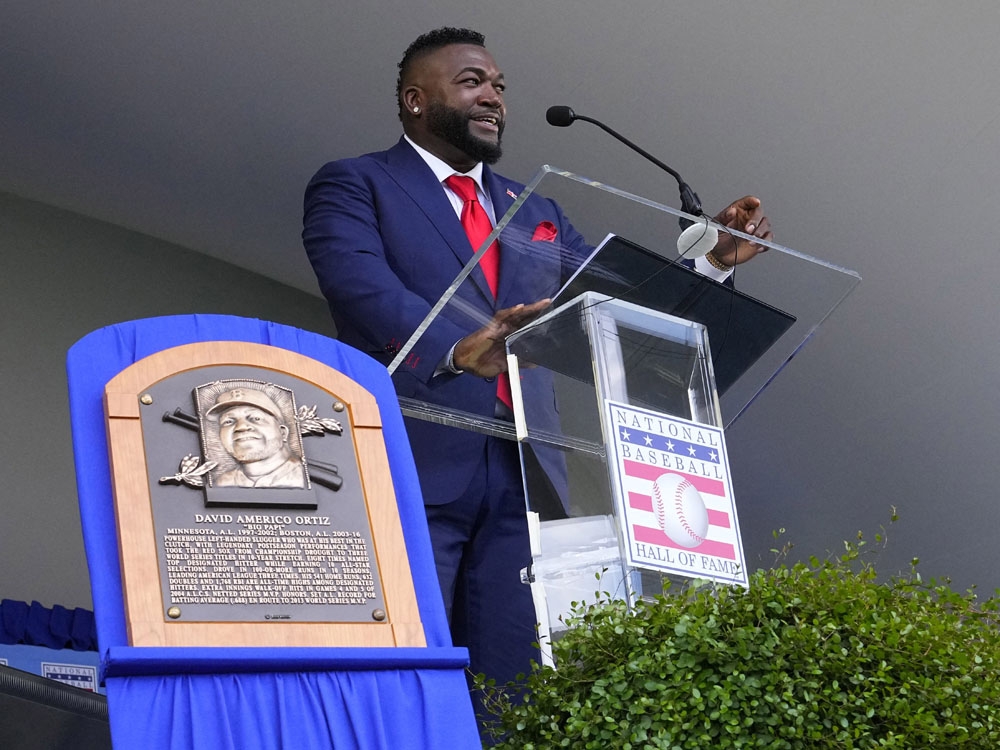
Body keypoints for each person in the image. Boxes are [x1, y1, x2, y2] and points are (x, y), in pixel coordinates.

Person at [302, 26, 772, 705]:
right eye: (472, 82)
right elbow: (361, 286)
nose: (493, 96)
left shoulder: (537, 209)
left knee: (514, 689)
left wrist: (712, 262)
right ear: (415, 100)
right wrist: (457, 349)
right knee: (402, 670)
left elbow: (613, 303)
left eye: (498, 86)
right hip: (413, 458)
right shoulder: (356, 184)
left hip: (528, 475)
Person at [206, 388, 306, 489]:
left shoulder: (304, 477)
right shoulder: (222, 482)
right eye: (228, 421)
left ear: (283, 432)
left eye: (255, 418)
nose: (241, 427)